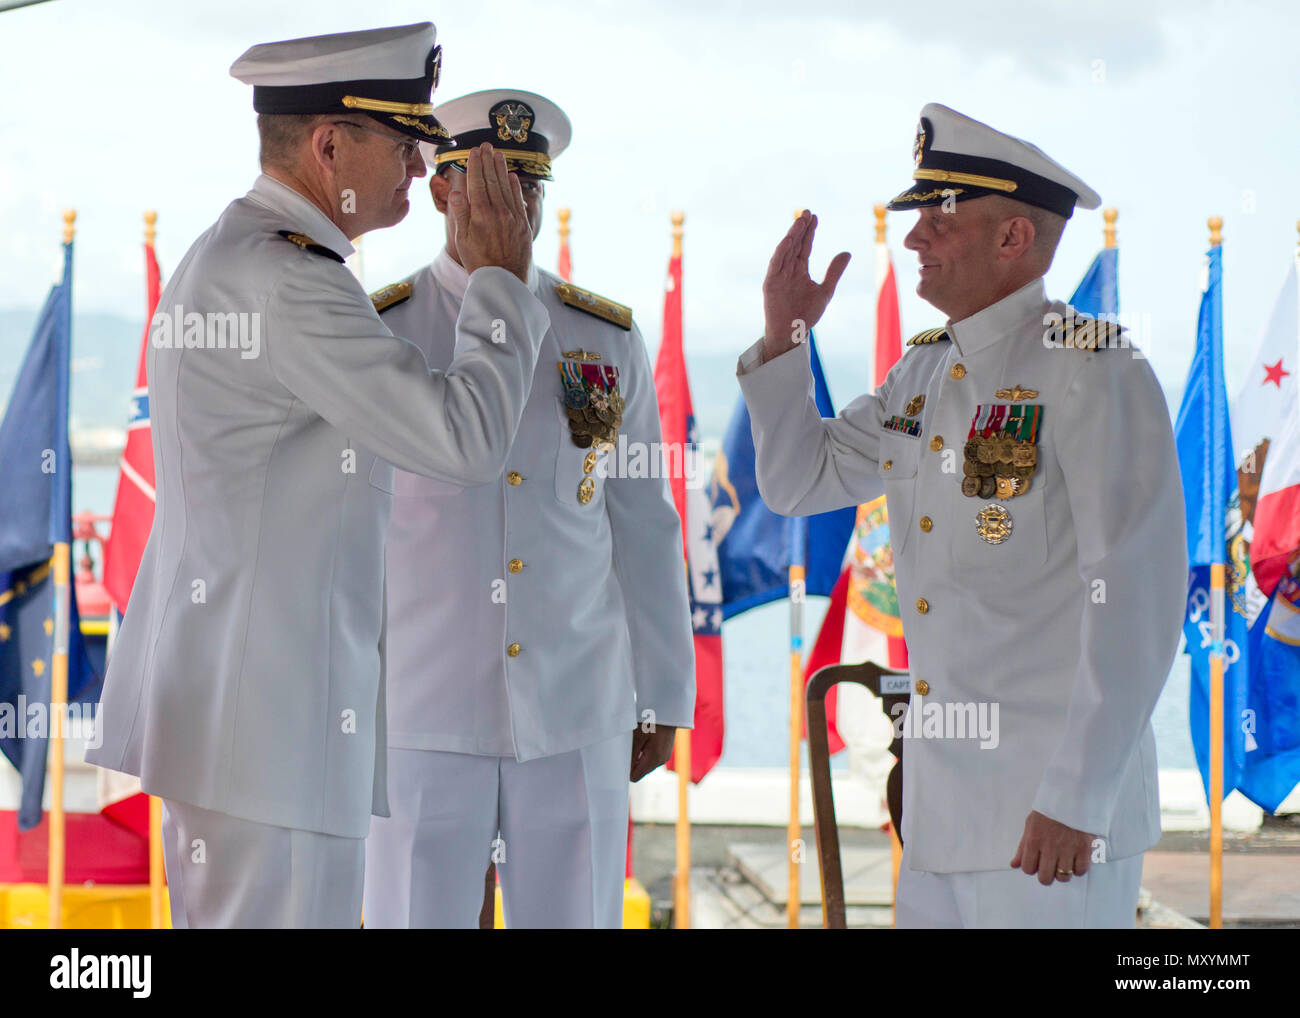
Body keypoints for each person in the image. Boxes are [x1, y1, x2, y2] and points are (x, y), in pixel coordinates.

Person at [85, 24, 551, 928]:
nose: (423, 168)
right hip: (272, 739)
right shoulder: (291, 281)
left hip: (246, 724)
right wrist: (499, 281)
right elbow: (465, 439)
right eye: (404, 143)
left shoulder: (237, 251)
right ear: (330, 144)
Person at [738, 103, 1186, 928]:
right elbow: (800, 484)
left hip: (1049, 824)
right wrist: (783, 335)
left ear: (1014, 238)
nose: (913, 238)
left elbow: (1136, 602)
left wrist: (1077, 798)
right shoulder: (923, 374)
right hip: (943, 817)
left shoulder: (1094, 370)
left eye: (938, 218)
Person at [361, 89, 695, 929]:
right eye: (492, 187)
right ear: (441, 192)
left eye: (531, 188)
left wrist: (661, 692)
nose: (519, 209)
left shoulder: (604, 338)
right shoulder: (383, 333)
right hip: (418, 711)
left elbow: (643, 524)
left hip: (577, 709)